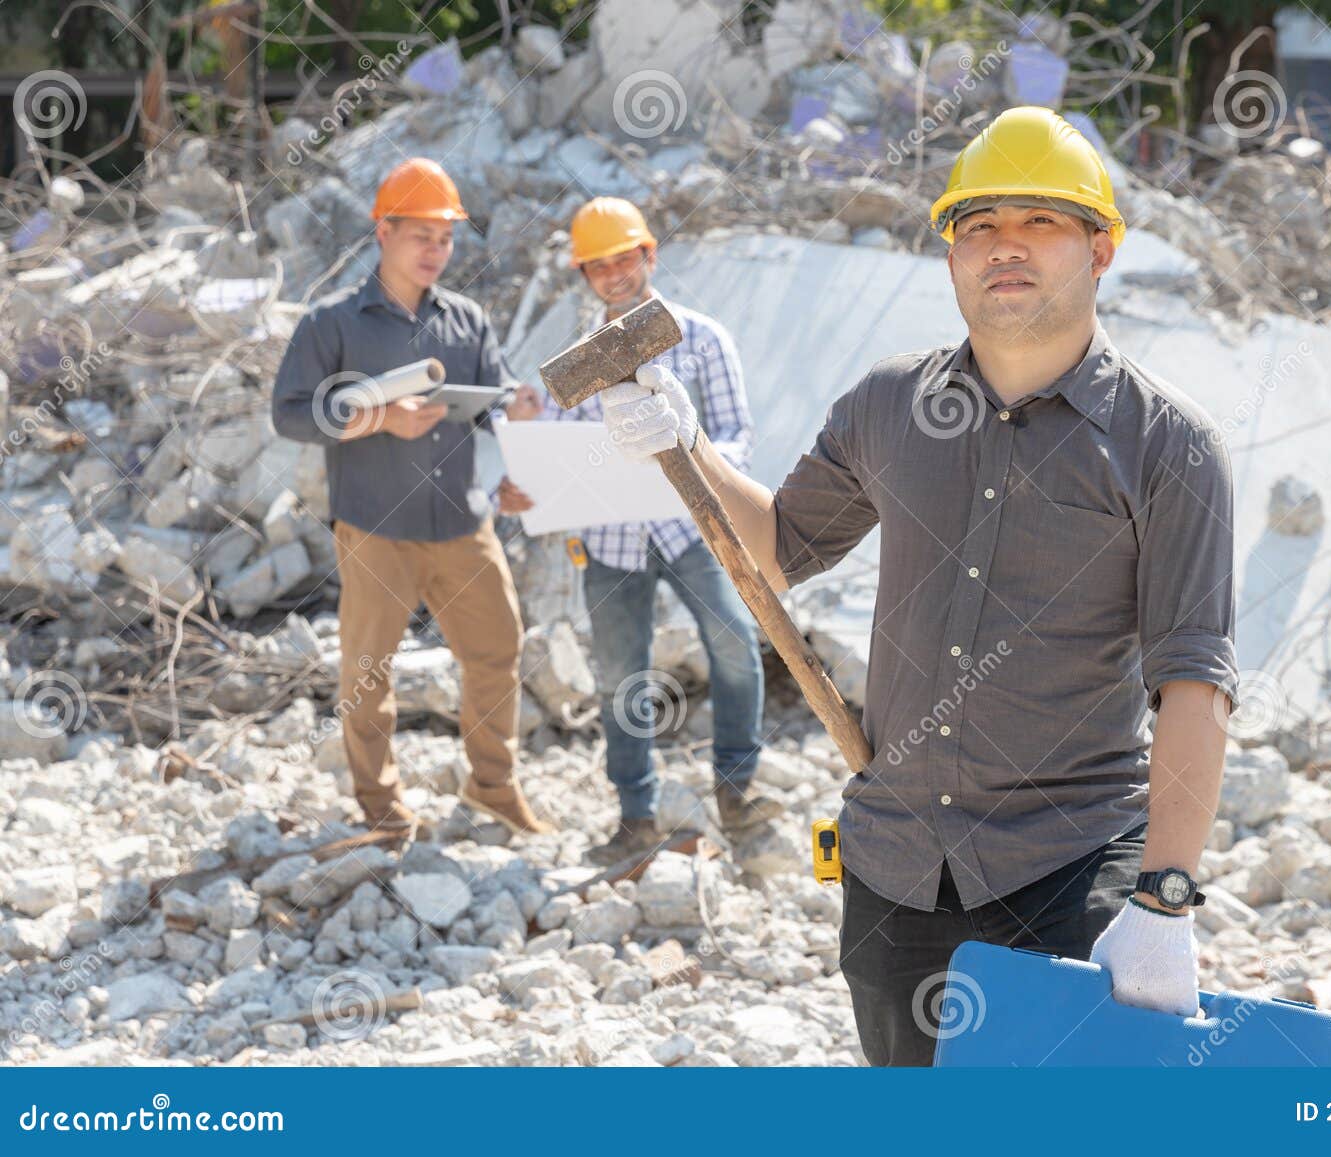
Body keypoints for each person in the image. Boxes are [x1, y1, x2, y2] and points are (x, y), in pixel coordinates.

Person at [589, 107, 1238, 1064]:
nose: (1005, 245)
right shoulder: (891, 405)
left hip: (1066, 871)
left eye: (1040, 221)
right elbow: (781, 546)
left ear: (1101, 249)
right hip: (894, 871)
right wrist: (685, 446)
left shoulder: (1169, 445)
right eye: (979, 225)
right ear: (950, 253)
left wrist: (1164, 900)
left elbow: (1193, 683)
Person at [272, 157, 554, 839]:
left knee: (497, 651)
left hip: (462, 522)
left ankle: (492, 787)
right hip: (375, 527)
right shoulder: (332, 322)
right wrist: (377, 418)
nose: (436, 250)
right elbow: (289, 413)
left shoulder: (467, 321)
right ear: (384, 232)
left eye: (446, 238)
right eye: (422, 235)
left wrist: (518, 412)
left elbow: (491, 402)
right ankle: (381, 806)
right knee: (369, 672)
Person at [504, 197, 778, 865]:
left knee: (735, 645)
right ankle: (636, 816)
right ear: (584, 274)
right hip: (611, 542)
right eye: (596, 266)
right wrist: (526, 458)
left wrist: (698, 462)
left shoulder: (702, 339)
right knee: (620, 676)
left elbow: (737, 434)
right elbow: (561, 453)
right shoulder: (577, 362)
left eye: (622, 259)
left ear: (650, 255)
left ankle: (738, 792)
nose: (612, 275)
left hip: (693, 530)